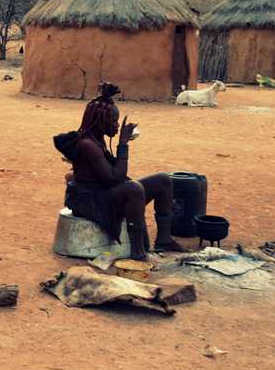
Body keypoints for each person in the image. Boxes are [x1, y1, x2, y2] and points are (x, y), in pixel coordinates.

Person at [53, 83, 187, 260]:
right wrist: (123, 144)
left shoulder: (96, 140)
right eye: (113, 121)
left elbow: (113, 176)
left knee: (163, 180)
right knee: (134, 189)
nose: (116, 125)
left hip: (102, 194)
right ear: (101, 120)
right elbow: (115, 178)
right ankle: (137, 250)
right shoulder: (88, 145)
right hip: (89, 201)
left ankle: (164, 238)